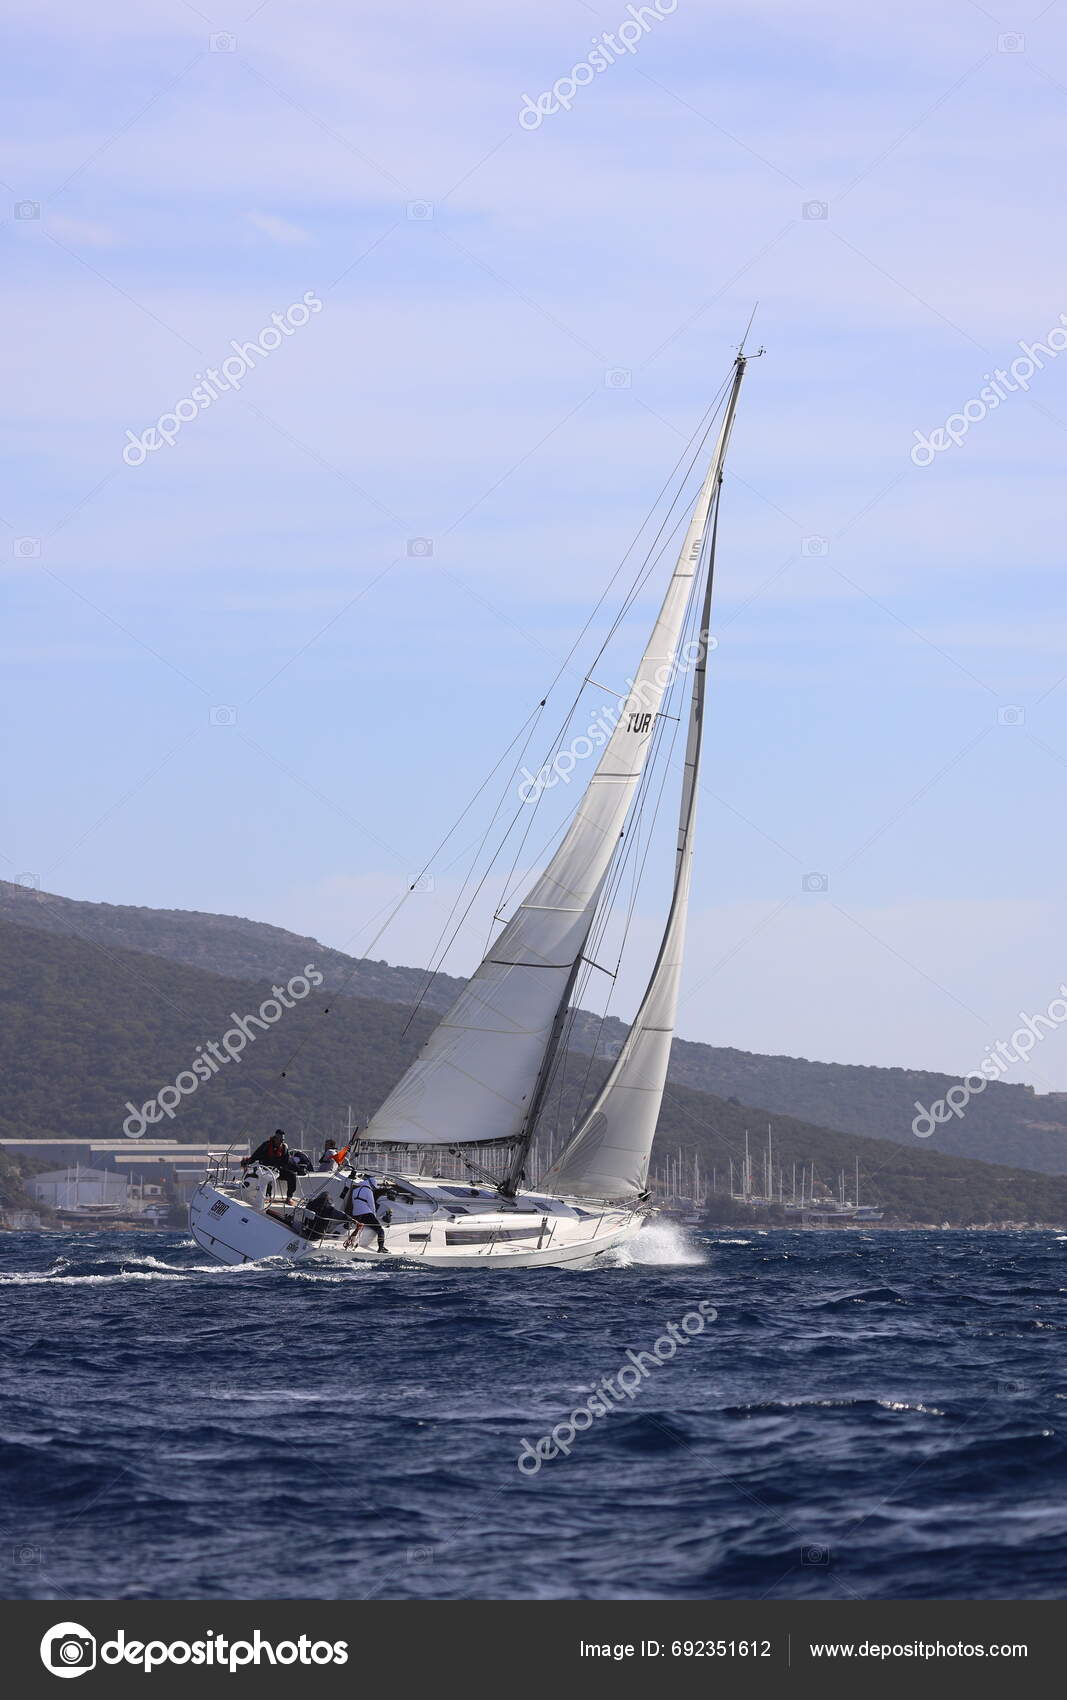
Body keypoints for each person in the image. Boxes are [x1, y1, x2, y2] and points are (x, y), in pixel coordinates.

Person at [242, 1129, 300, 1203]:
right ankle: (267, 1196)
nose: (282, 1142)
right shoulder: (266, 1145)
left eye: (283, 1140)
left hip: (277, 1170)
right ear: (275, 1138)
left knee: (292, 1175)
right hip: (265, 1170)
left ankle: (289, 1197)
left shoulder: (284, 1148)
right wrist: (247, 1162)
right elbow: (255, 1156)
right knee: (268, 1176)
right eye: (280, 1139)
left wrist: (297, 1168)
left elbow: (287, 1161)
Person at [343, 1173, 387, 1253]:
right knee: (380, 1230)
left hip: (355, 1214)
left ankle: (349, 1243)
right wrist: (374, 1217)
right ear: (371, 1185)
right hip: (366, 1214)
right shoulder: (368, 1191)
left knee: (357, 1229)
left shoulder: (355, 1190)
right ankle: (381, 1247)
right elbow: (372, 1206)